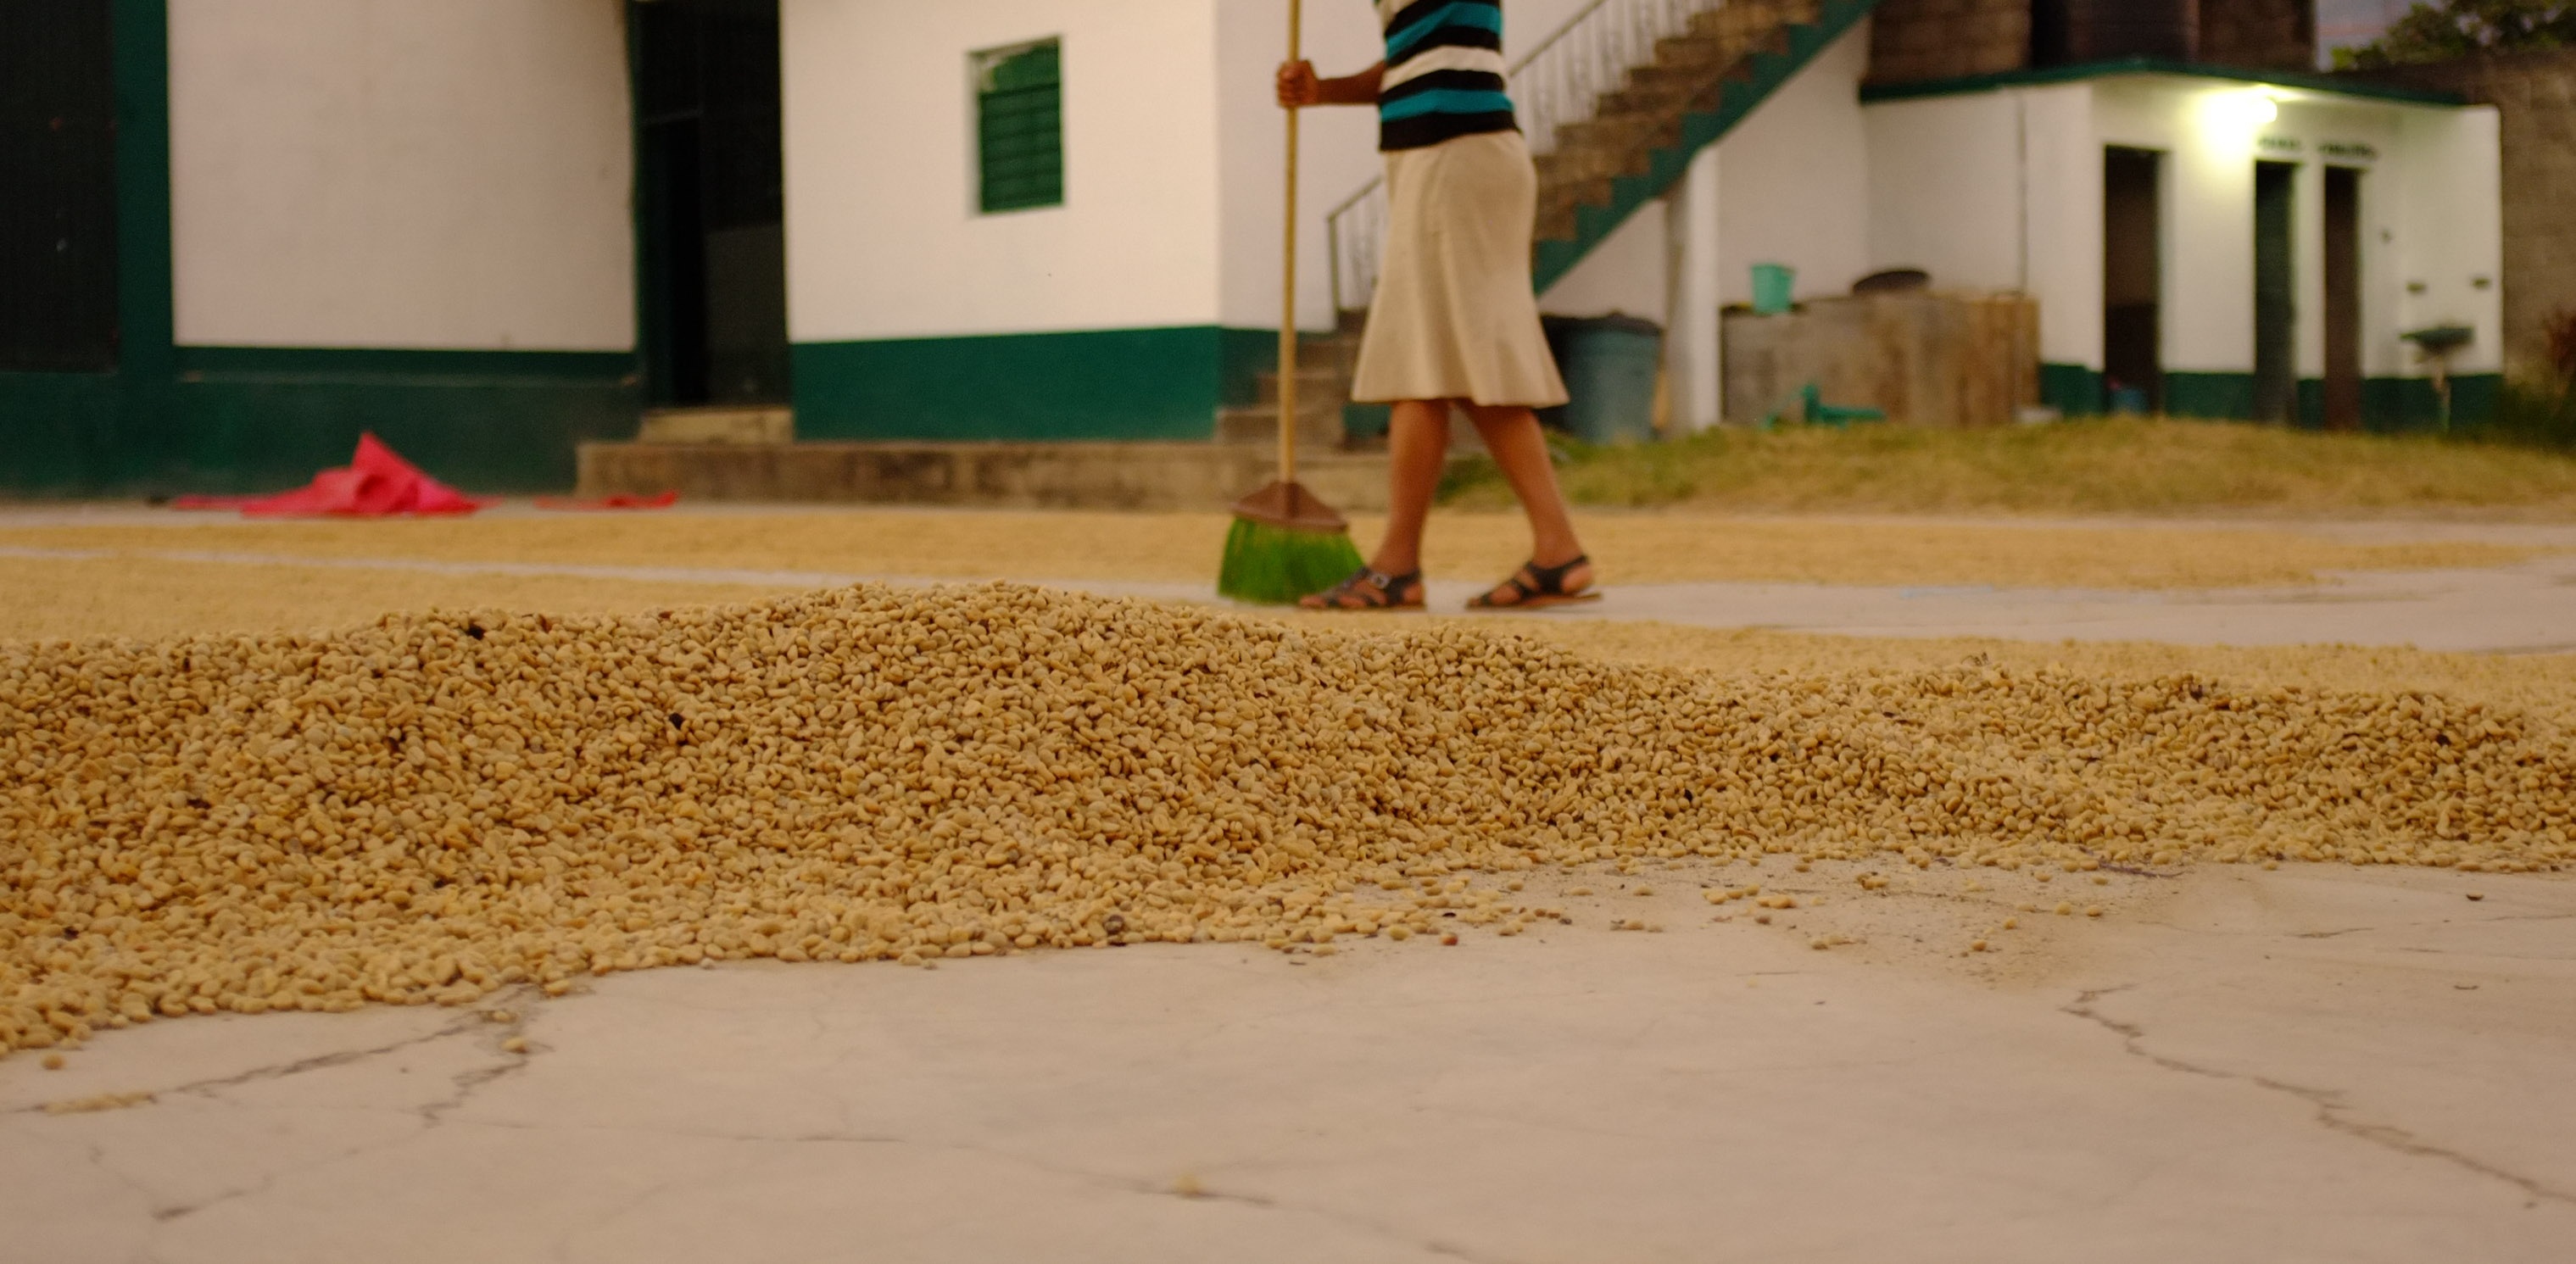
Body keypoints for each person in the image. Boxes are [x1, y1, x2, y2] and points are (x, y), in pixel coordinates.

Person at [1282, 0, 1596, 612]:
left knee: (1422, 360)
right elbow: (1416, 58)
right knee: (1452, 363)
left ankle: (1399, 567)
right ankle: (1556, 551)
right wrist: (1324, 90)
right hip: (1443, 156)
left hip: (1452, 157)